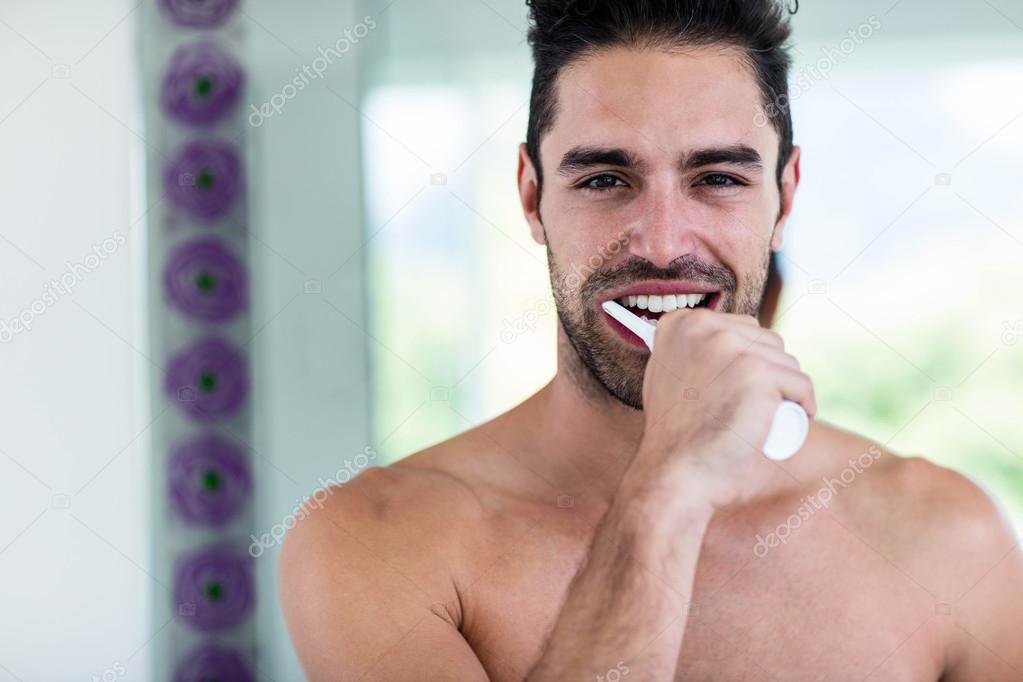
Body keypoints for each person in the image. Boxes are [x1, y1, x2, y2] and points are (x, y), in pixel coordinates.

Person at [279, 1, 1023, 679]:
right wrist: (669, 482)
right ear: (532, 197)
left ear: (784, 197)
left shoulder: (950, 538)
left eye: (718, 179)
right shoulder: (376, 541)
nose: (664, 246)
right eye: (605, 179)